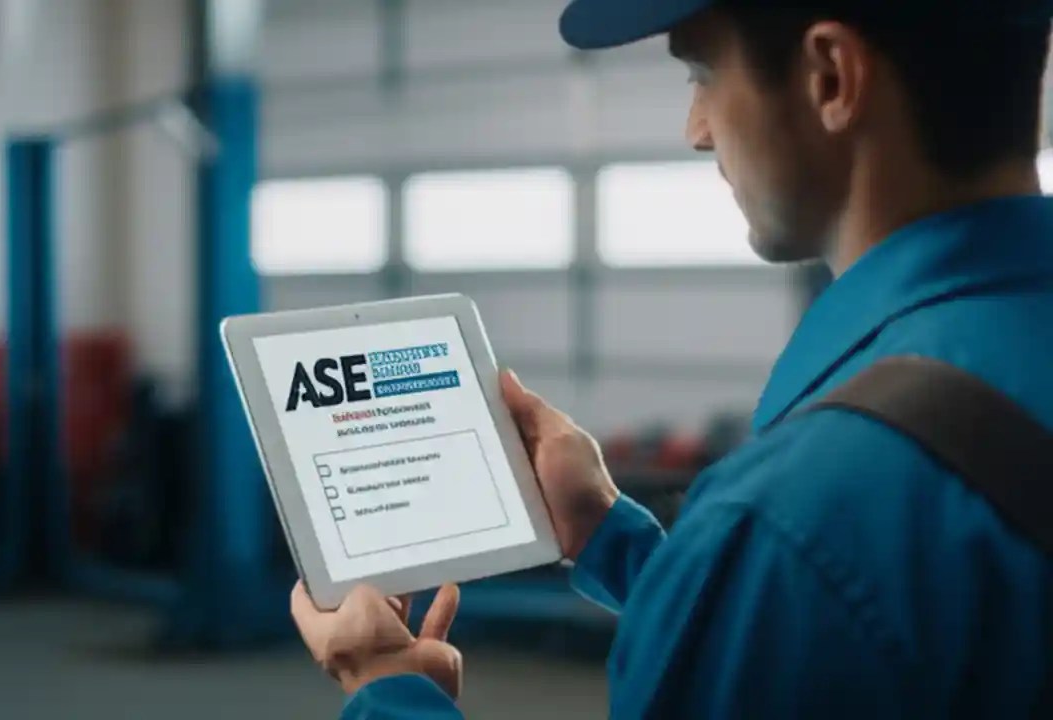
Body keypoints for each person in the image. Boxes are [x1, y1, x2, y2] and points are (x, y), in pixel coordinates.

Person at [290, 0, 1053, 716]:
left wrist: (386, 689)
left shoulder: (795, 522)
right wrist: (611, 540)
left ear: (830, 78)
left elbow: (813, 589)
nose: (696, 129)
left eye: (702, 74)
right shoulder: (804, 539)